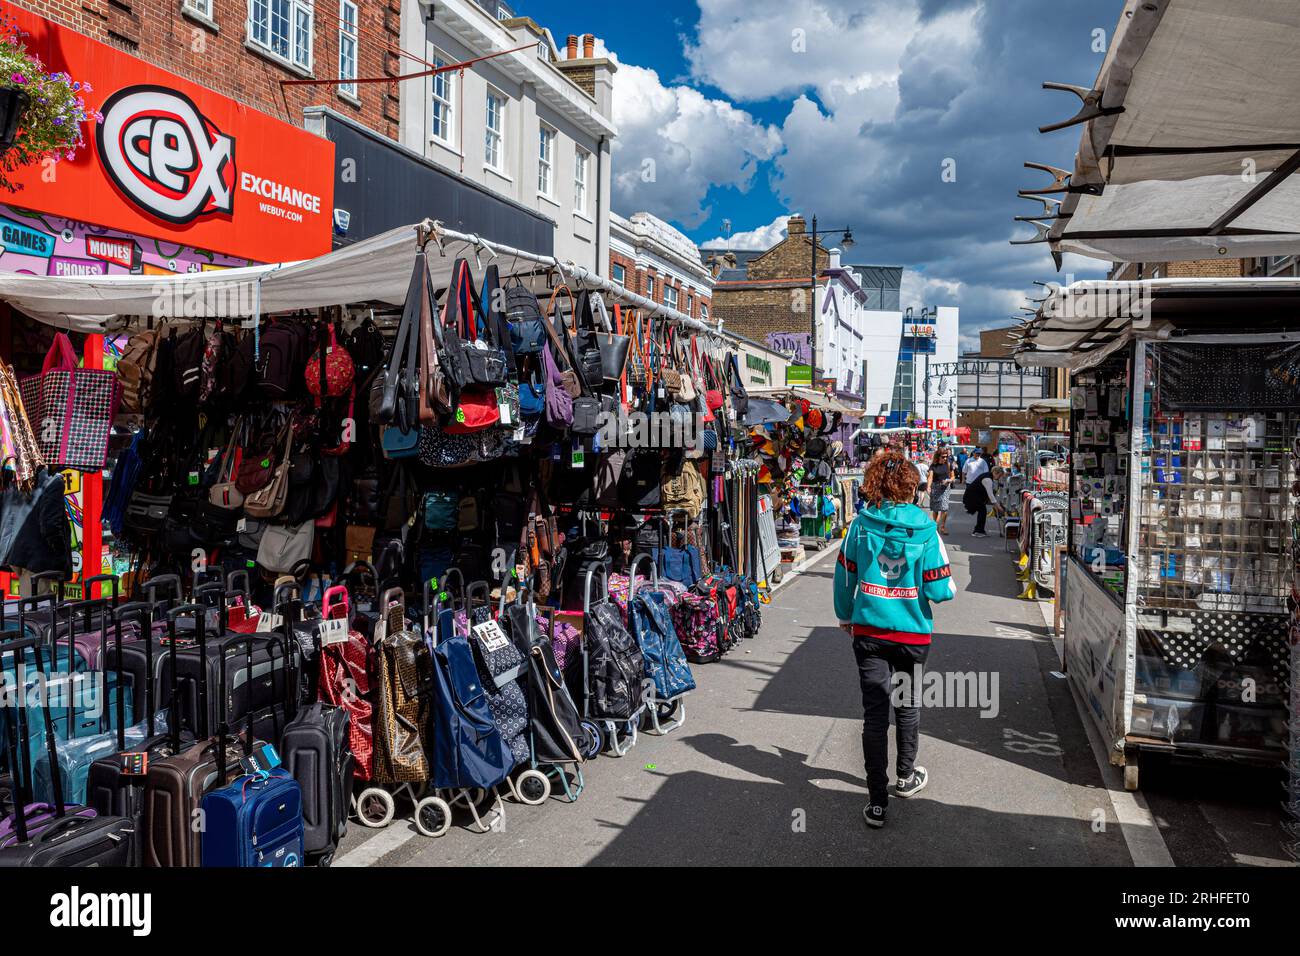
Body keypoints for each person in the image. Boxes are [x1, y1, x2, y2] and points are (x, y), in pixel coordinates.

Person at [833, 448, 956, 830]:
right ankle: (906, 777)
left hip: (868, 631)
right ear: (911, 486)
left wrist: (845, 614)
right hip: (912, 635)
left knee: (874, 716)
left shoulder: (860, 524)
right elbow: (942, 590)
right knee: (907, 705)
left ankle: (877, 802)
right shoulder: (925, 527)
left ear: (874, 483)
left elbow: (844, 575)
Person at [962, 465, 1005, 537]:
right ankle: (978, 531)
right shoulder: (988, 479)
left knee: (982, 510)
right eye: (999, 475)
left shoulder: (988, 476)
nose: (999, 478)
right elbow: (990, 495)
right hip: (972, 497)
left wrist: (995, 504)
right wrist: (998, 507)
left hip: (973, 496)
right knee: (982, 511)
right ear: (995, 473)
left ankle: (979, 530)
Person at [925, 447, 954, 534]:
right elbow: (930, 477)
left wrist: (949, 480)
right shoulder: (933, 466)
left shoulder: (948, 464)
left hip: (945, 488)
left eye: (946, 456)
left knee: (944, 508)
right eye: (943, 457)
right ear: (938, 457)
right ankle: (935, 525)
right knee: (935, 509)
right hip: (935, 487)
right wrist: (928, 487)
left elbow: (953, 476)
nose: (945, 458)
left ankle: (942, 527)